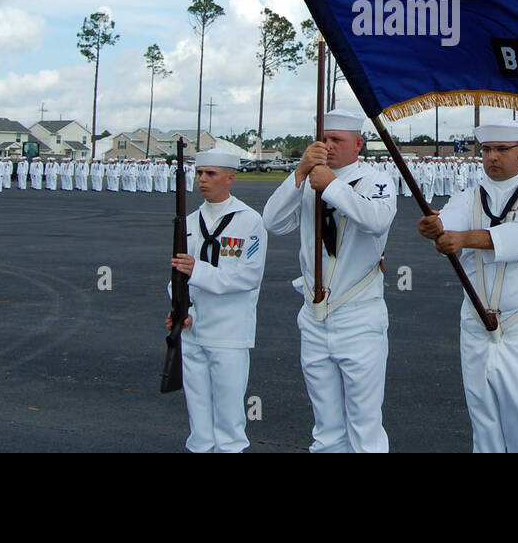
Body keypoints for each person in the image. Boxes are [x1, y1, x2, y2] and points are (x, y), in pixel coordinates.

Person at [418, 119, 518, 453]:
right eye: (486, 150)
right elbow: (448, 228)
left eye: (502, 149)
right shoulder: (466, 196)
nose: (492, 157)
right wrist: (434, 228)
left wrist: (464, 238)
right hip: (476, 323)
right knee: (483, 420)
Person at [261, 108, 397, 453]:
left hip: (358, 315)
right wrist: (301, 172)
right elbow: (273, 222)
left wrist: (332, 186)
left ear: (358, 144)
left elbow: (375, 220)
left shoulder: (375, 180)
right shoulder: (309, 181)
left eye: (337, 140)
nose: (328, 146)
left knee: (364, 425)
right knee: (326, 428)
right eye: (323, 139)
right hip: (314, 316)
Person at [166, 149, 268, 453]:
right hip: (194, 328)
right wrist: (176, 308)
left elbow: (248, 277)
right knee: (198, 418)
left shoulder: (249, 221)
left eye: (210, 173)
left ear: (230, 178)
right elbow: (175, 275)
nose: (202, 180)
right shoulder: (189, 221)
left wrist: (200, 271)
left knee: (229, 419)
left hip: (229, 331)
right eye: (199, 173)